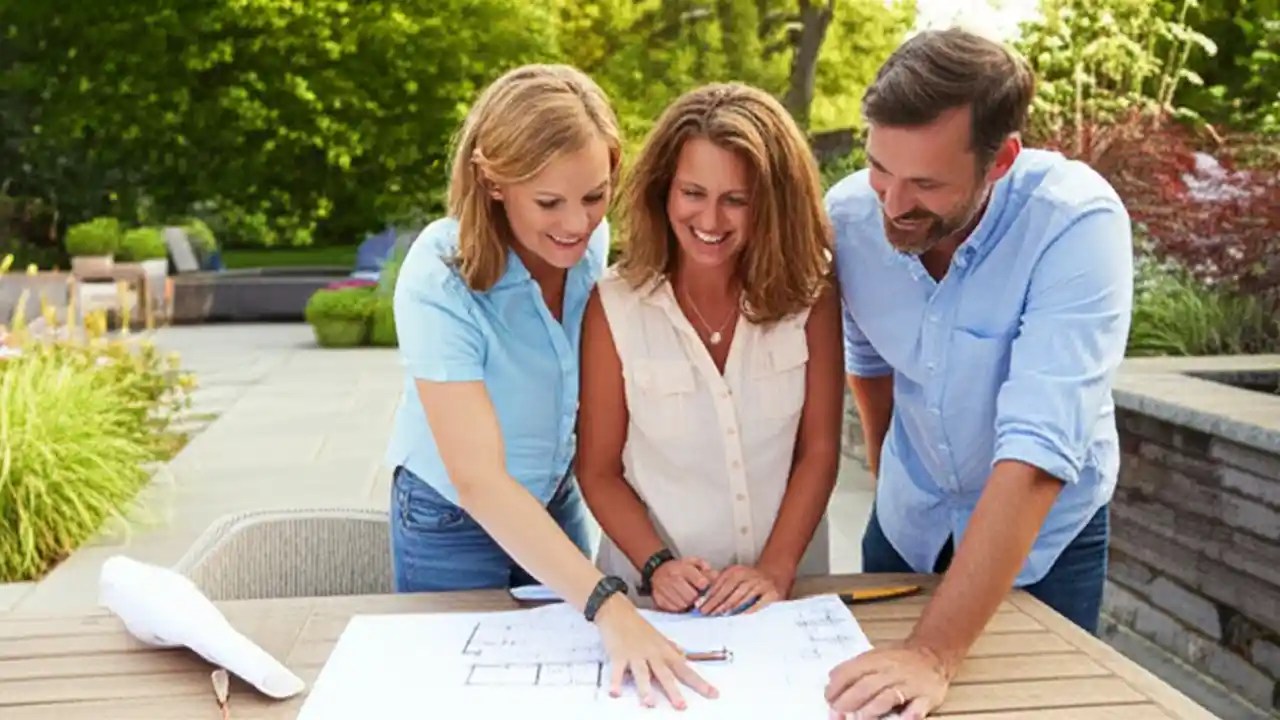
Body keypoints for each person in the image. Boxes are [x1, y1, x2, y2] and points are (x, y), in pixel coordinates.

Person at [384, 64, 717, 710]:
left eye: (595, 197)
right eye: (550, 203)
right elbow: (478, 480)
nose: (577, 224)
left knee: (574, 689)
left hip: (553, 495)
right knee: (461, 694)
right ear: (493, 180)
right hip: (450, 516)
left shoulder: (589, 246)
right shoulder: (439, 276)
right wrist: (607, 602)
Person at [822, 29, 1133, 718]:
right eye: (880, 167)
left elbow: (1039, 449)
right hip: (907, 522)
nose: (893, 204)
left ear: (1001, 161)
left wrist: (933, 652)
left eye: (927, 183)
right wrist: (884, 469)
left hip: (1046, 541)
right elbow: (867, 358)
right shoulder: (849, 214)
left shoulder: (1075, 222)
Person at [576, 83, 844, 619]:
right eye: (693, 193)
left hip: (786, 595)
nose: (711, 220)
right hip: (654, 600)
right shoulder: (616, 305)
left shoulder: (811, 296)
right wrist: (657, 566)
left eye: (736, 200)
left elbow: (818, 451)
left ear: (771, 203)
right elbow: (597, 469)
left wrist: (775, 568)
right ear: (663, 191)